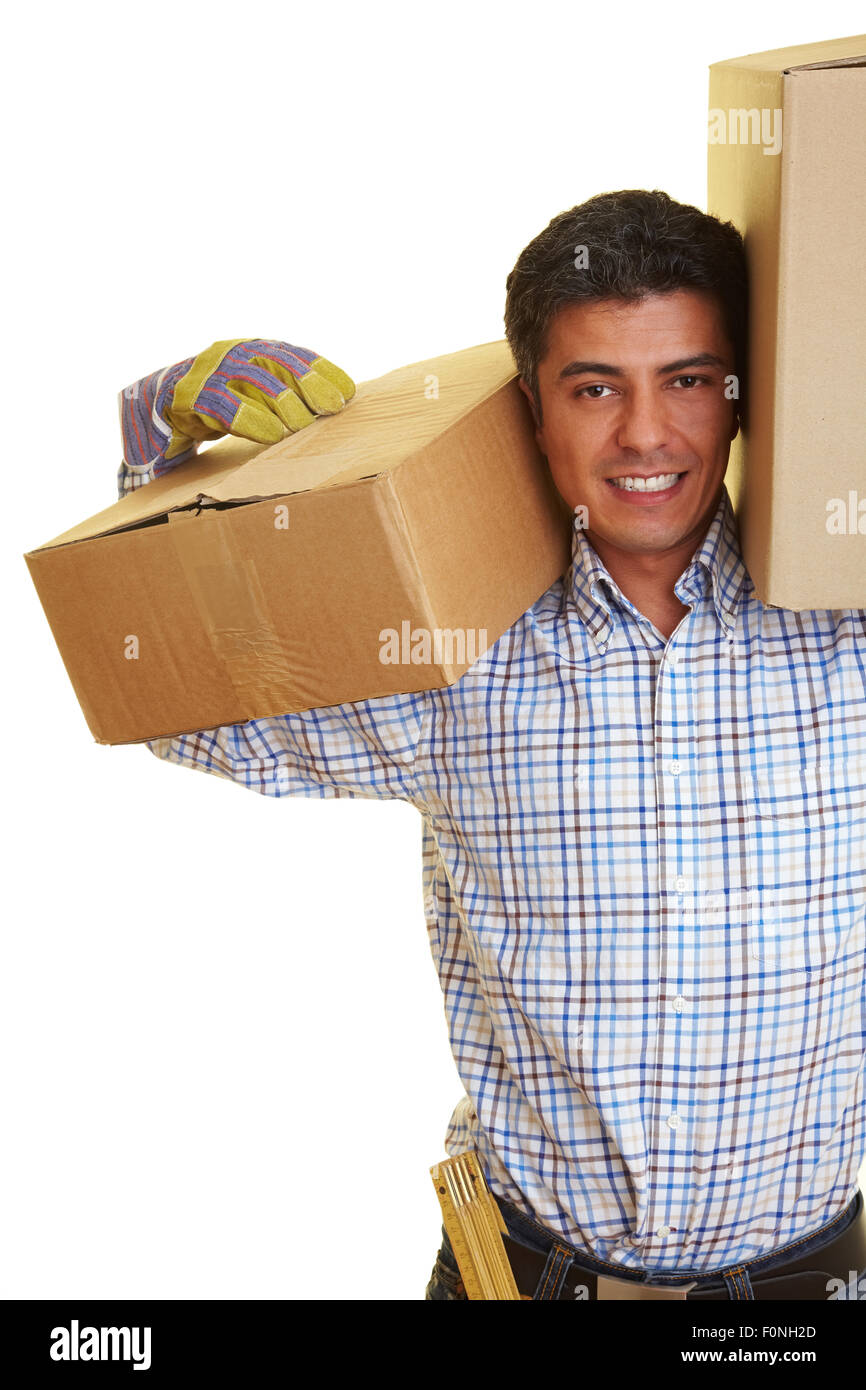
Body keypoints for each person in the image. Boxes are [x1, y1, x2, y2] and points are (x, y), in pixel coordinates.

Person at [116, 190, 866, 1302]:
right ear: (531, 409)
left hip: (802, 1297)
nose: (646, 434)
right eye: (594, 387)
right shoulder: (449, 652)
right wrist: (154, 451)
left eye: (688, 380)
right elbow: (172, 704)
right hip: (520, 1278)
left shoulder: (846, 642)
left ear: (744, 395)